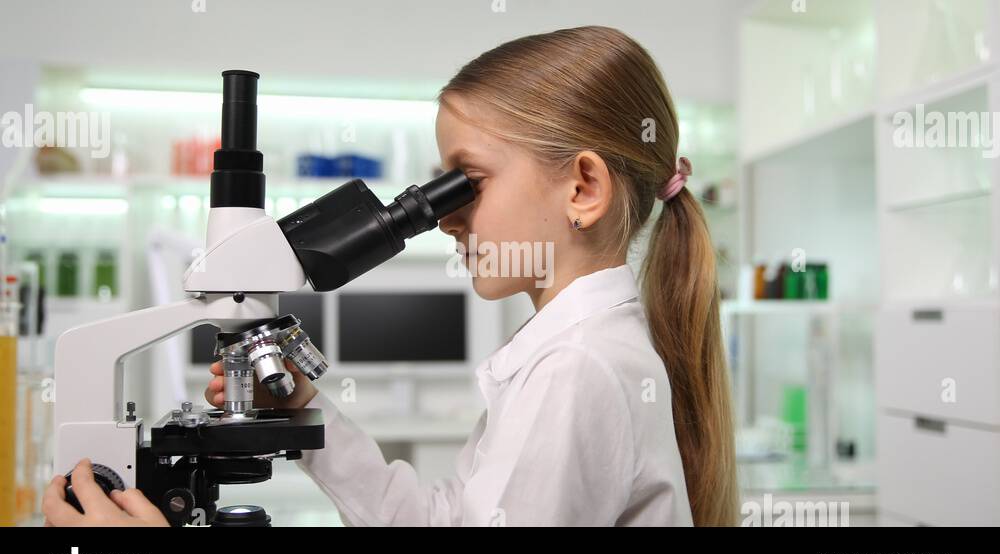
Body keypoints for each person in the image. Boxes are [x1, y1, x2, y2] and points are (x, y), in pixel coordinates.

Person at [44, 25, 738, 527]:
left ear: (583, 188)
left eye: (466, 182)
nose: (443, 216)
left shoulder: (577, 369)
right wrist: (305, 416)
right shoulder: (572, 355)